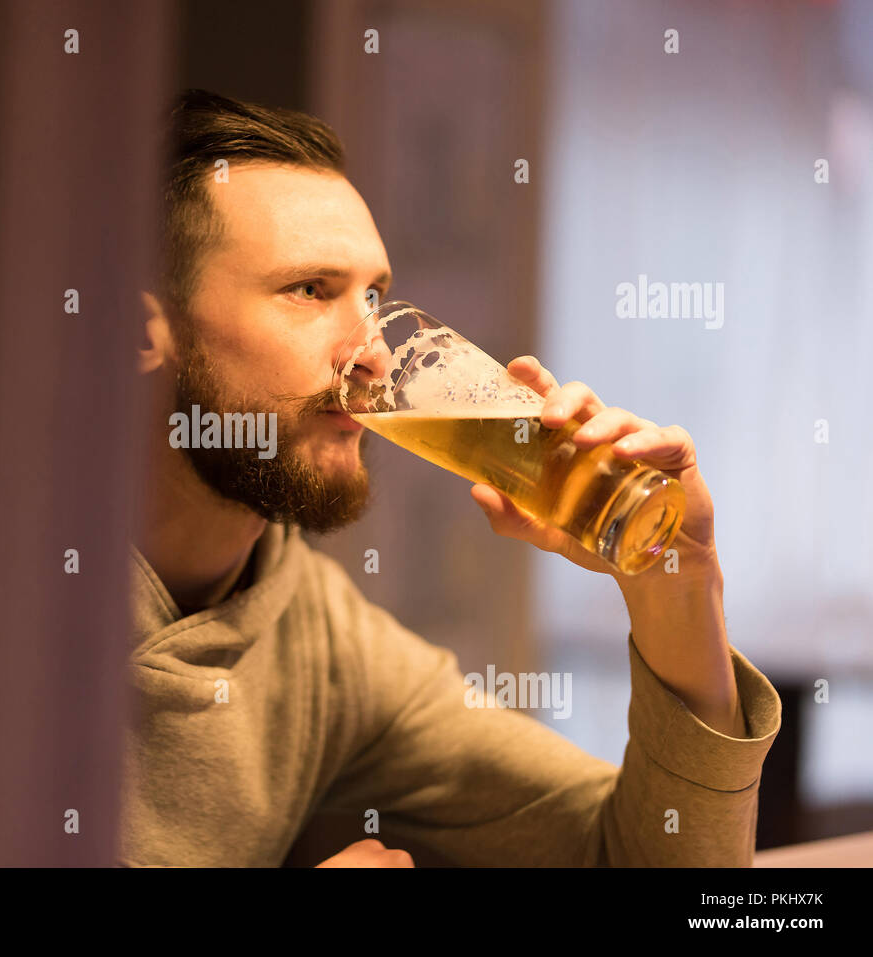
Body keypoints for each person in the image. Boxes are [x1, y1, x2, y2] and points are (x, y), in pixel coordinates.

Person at [123, 89, 782, 867]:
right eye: (310, 290)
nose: (372, 350)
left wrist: (675, 581)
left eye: (372, 298)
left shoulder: (319, 638)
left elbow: (639, 859)